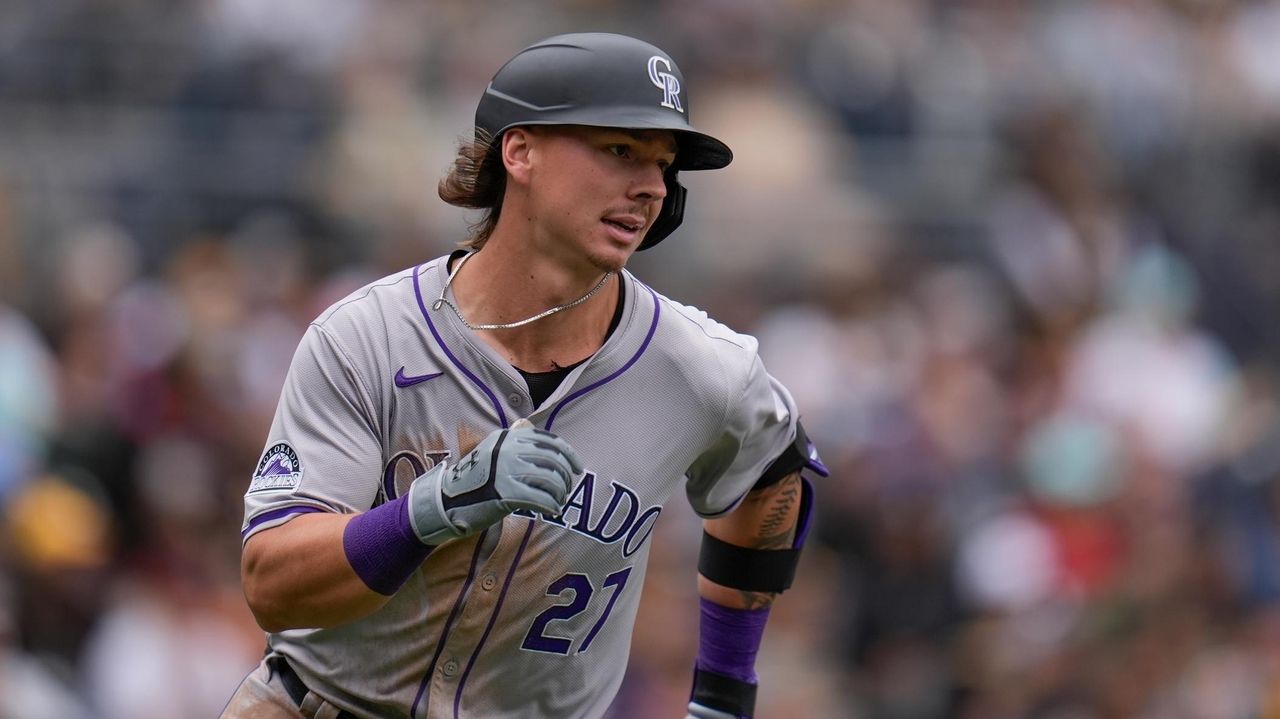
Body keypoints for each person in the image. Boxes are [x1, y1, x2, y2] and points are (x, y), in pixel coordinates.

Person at [221, 32, 826, 719]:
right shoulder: (367, 337)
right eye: (619, 150)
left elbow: (775, 469)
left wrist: (723, 691)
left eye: (663, 165)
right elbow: (273, 582)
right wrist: (431, 508)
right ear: (520, 151)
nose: (651, 186)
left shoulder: (700, 367)